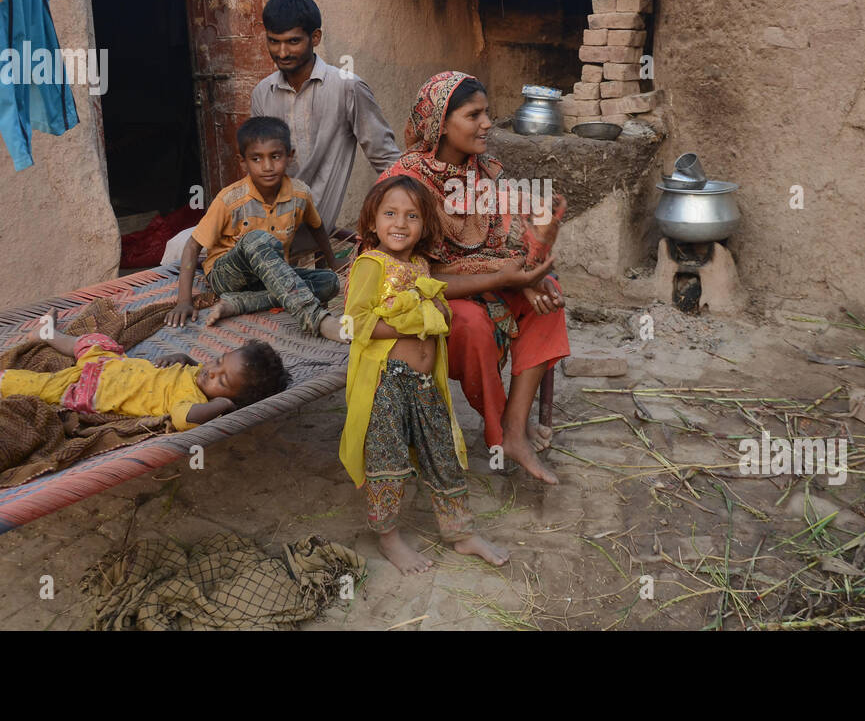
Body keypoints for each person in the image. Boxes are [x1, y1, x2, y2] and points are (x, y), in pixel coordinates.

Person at [384, 72, 569, 485]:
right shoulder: (405, 184)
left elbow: (508, 245)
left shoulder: (485, 173)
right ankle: (498, 429)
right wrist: (501, 278)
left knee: (548, 300)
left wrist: (529, 273)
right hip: (421, 295)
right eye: (474, 115)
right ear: (441, 124)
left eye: (486, 113)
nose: (487, 123)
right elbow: (405, 279)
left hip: (489, 280)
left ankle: (514, 431)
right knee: (471, 325)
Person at [340, 175, 512, 573]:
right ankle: (389, 538)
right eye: (390, 213)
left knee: (443, 454)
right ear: (371, 223)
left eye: (412, 216)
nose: (400, 223)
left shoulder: (420, 264)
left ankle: (461, 533)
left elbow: (440, 313)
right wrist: (414, 324)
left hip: (423, 383)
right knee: (387, 458)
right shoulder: (371, 264)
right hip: (387, 383)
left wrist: (434, 314)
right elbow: (354, 323)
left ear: (425, 226)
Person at [0, 312, 289, 431]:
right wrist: (187, 362)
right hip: (108, 366)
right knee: (95, 341)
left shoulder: (193, 401)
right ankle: (53, 336)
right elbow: (192, 367)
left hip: (82, 393)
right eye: (218, 362)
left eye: (222, 380)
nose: (212, 372)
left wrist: (218, 405)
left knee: (16, 384)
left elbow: (185, 418)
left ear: (230, 398)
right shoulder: (195, 377)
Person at [165, 117, 347, 341]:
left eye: (275, 156)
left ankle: (243, 302)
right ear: (243, 162)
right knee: (258, 240)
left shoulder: (300, 194)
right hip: (227, 275)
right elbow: (193, 245)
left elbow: (317, 227)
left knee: (330, 282)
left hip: (270, 276)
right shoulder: (230, 199)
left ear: (290, 156)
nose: (267, 166)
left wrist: (331, 260)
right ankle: (316, 319)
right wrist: (184, 301)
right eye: (256, 159)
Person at [249, 0, 401, 238]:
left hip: (311, 225)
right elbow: (256, 166)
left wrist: (402, 212)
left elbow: (386, 160)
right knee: (183, 247)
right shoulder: (262, 93)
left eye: (293, 42)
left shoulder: (347, 87)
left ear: (315, 37)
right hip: (265, 222)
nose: (282, 52)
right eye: (274, 42)